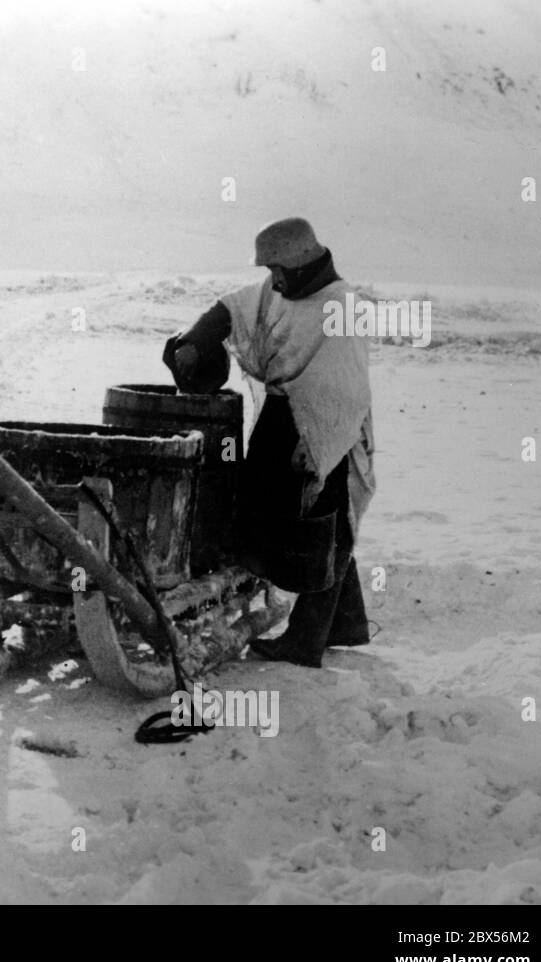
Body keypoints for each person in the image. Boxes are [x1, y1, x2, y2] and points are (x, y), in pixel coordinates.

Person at [162, 217, 375, 668]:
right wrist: (195, 342)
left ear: (300, 260)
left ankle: (305, 642)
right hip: (283, 416)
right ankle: (348, 623)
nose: (272, 278)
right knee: (296, 521)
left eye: (277, 267)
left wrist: (315, 444)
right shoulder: (279, 291)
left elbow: (342, 388)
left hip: (328, 430)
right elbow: (231, 309)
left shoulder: (341, 306)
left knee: (326, 529)